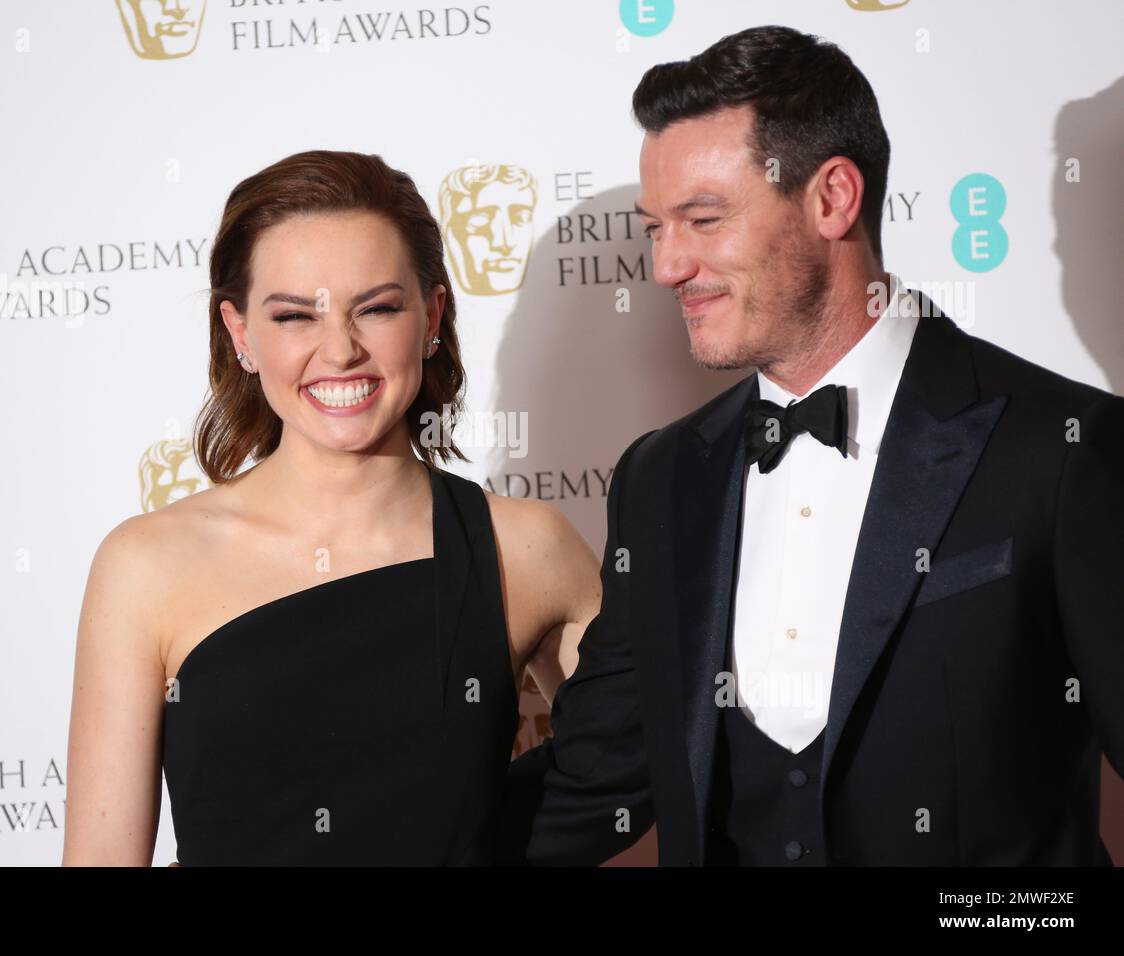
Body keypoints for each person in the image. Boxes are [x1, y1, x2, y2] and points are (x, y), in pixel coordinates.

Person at [496, 25, 1124, 866]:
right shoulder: (662, 476)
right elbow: (596, 774)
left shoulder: (1062, 446)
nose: (667, 267)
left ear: (832, 198)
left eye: (704, 219)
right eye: (658, 228)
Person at [62, 150, 601, 865]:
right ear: (241, 335)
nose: (340, 350)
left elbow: (644, 778)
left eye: (376, 308)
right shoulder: (145, 566)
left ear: (432, 314)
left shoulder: (525, 547)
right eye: (293, 316)